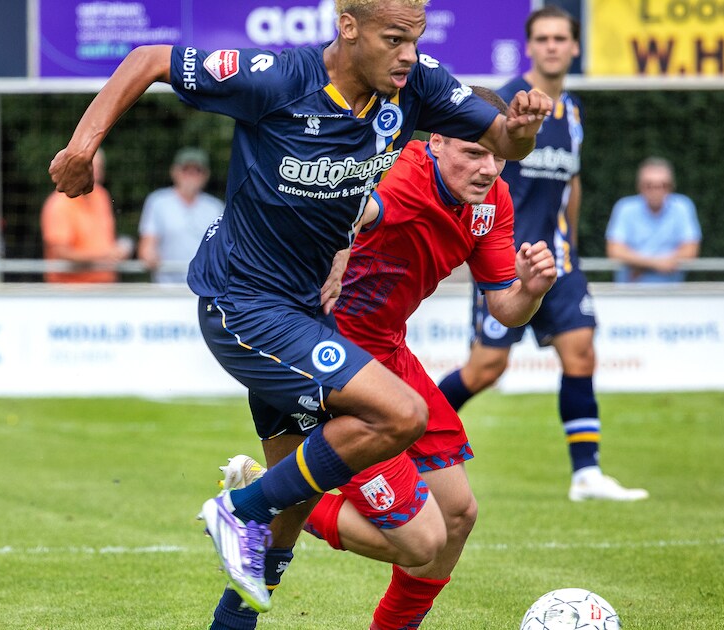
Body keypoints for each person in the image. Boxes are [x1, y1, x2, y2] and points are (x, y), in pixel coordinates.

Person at [50, 0, 552, 615]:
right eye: (395, 40)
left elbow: (503, 141)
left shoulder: (417, 86)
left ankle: (247, 557)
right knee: (400, 416)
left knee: (271, 555)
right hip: (244, 307)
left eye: (415, 40)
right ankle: (239, 508)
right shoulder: (279, 80)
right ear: (349, 28)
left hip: (304, 317)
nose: (409, 56)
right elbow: (150, 58)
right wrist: (81, 149)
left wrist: (522, 128)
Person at [220, 87, 558, 630]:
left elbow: (506, 309)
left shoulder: (492, 201)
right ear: (438, 139)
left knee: (459, 514)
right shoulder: (395, 172)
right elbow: (339, 201)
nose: (488, 168)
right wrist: (337, 243)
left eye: (496, 155)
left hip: (389, 352)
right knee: (421, 541)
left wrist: (534, 289)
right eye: (473, 152)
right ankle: (272, 489)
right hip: (328, 352)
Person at [436, 6, 649, 503]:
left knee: (581, 353)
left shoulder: (572, 111)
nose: (553, 46)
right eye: (543, 38)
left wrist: (569, 246)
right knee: (486, 369)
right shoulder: (503, 103)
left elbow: (571, 183)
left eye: (561, 39)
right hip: (506, 261)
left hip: (560, 262)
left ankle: (586, 474)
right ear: (530, 46)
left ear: (574, 48)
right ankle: (409, 434)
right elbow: (474, 178)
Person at [605, 157, 701, 284]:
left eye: (663, 185)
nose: (656, 191)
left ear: (671, 187)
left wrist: (640, 265)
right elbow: (615, 251)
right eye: (649, 185)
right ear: (639, 186)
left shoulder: (682, 207)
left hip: (673, 296)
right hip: (629, 296)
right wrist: (658, 264)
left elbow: (690, 250)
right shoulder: (625, 207)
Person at [137, 147, 224, 284]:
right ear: (174, 172)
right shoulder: (158, 202)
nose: (191, 175)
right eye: (186, 170)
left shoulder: (215, 207)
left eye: (197, 171)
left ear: (206, 175)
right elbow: (147, 245)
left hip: (204, 287)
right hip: (167, 288)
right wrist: (149, 255)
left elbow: (221, 249)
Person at [42, 148, 130, 283]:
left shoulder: (101, 196)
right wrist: (107, 254)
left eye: (100, 167)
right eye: (91, 166)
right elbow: (61, 252)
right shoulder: (59, 204)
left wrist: (119, 249)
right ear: (75, 169)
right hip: (71, 292)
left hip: (104, 288)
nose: (97, 173)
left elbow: (105, 242)